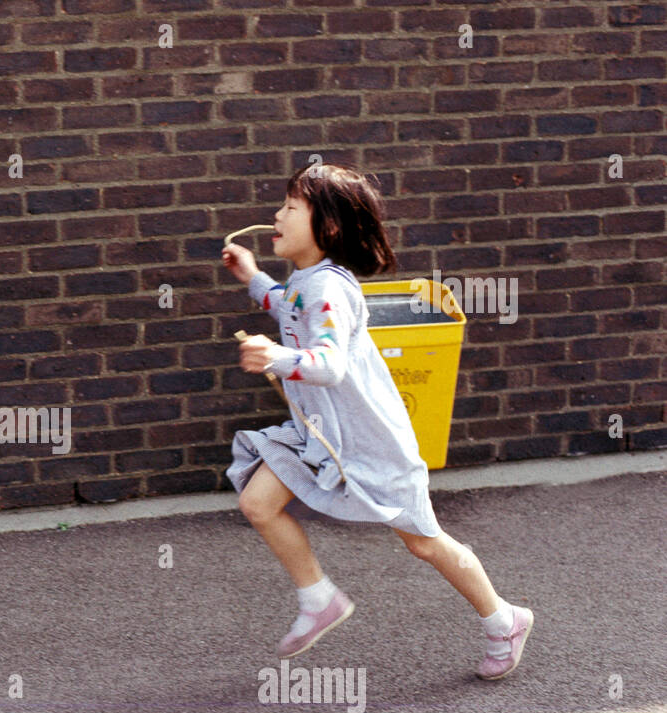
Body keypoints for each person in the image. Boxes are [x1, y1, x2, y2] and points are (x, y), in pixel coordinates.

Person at [221, 163, 532, 680]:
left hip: (371, 441)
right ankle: (319, 597)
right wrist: (253, 278)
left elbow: (330, 365)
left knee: (423, 541)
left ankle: (504, 620)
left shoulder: (329, 289)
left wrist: (275, 357)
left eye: (291, 207)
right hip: (321, 433)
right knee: (258, 502)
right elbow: (289, 305)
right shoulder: (308, 281)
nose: (277, 214)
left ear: (330, 228)